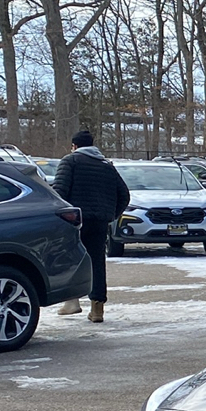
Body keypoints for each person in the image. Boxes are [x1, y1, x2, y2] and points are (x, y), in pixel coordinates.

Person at [52, 130, 129, 323]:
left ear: (74, 146)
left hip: (75, 221)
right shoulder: (107, 166)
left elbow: (59, 192)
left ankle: (71, 302)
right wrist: (110, 215)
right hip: (99, 222)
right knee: (96, 262)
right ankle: (97, 309)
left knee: (71, 259)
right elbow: (124, 195)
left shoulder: (71, 161)